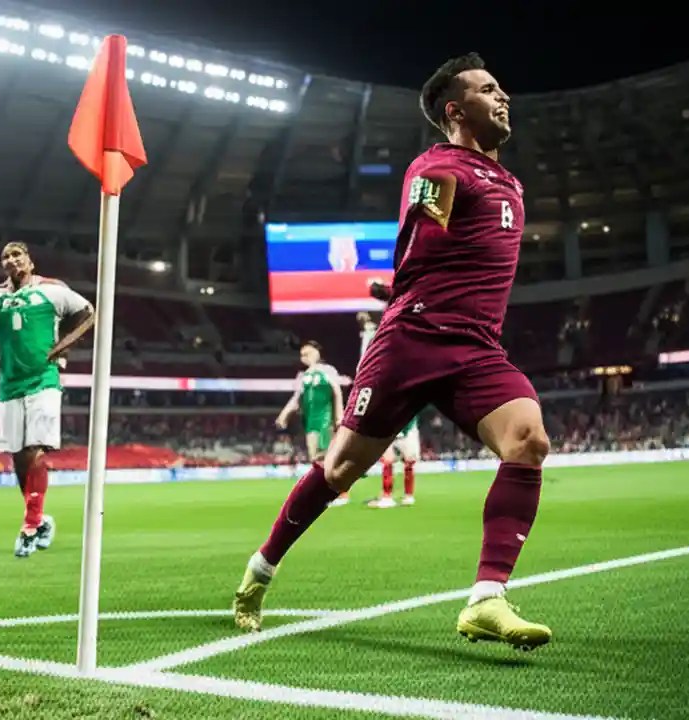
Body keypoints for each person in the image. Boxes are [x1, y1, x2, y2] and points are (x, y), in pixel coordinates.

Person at [233, 53, 553, 651]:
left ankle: (487, 599)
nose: (503, 96)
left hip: (477, 347)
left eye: (502, 87)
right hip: (411, 339)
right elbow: (421, 230)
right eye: (488, 90)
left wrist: (396, 283)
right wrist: (403, 282)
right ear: (456, 111)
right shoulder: (436, 167)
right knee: (340, 471)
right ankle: (259, 572)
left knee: (529, 440)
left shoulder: (510, 181)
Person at [0, 242, 94, 558]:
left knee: (34, 450)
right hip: (9, 384)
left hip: (43, 379)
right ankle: (41, 520)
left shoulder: (51, 290)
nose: (11, 260)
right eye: (5, 257)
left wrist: (64, 347)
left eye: (16, 255)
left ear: (30, 261)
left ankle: (29, 525)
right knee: (19, 457)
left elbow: (89, 313)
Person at [274, 341, 348, 506]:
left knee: (329, 457)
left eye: (308, 353)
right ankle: (324, 493)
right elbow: (297, 399)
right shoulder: (302, 376)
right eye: (302, 355)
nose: (305, 357)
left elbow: (336, 392)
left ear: (317, 353)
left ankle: (341, 493)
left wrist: (339, 415)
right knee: (315, 458)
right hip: (310, 422)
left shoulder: (328, 370)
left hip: (326, 418)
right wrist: (284, 414)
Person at [357, 311, 419, 508]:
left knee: (405, 459)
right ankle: (392, 495)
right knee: (392, 459)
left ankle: (397, 496)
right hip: (396, 418)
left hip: (401, 420)